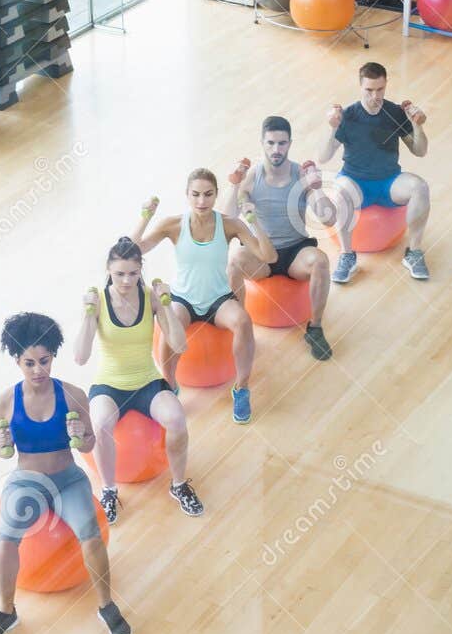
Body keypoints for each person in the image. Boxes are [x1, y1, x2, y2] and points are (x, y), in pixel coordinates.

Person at [0, 311, 131, 634]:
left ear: (53, 356)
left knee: (90, 536)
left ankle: (107, 606)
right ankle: (6, 612)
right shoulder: (4, 402)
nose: (38, 370)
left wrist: (83, 435)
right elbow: (5, 454)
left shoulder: (74, 395)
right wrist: (0, 445)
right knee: (6, 539)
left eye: (44, 361)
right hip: (26, 482)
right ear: (17, 361)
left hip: (67, 479)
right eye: (29, 363)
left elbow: (90, 444)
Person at [72, 236, 204, 522]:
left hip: (147, 381)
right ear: (108, 270)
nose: (126, 280)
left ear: (141, 269)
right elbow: (80, 357)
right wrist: (87, 315)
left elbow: (180, 346)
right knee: (100, 423)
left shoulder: (150, 296)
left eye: (133, 273)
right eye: (119, 274)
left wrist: (166, 305)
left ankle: (179, 485)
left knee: (177, 419)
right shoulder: (100, 301)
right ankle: (108, 490)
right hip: (109, 384)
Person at [132, 168, 276, 424]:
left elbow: (269, 257)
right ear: (187, 195)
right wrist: (146, 217)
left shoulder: (230, 224)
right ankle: (170, 385)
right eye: (196, 194)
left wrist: (253, 221)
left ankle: (241, 389)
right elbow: (132, 250)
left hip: (218, 299)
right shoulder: (173, 225)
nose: (202, 201)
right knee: (168, 322)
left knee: (243, 321)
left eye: (208, 194)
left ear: (216, 195)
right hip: (183, 299)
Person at [224, 115, 336, 361]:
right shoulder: (252, 176)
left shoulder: (301, 175)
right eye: (271, 143)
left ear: (290, 143)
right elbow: (228, 218)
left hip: (295, 251)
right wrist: (234, 186)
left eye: (282, 143)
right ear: (262, 143)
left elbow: (329, 219)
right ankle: (242, 329)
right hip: (262, 253)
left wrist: (316, 188)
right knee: (233, 260)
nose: (276, 149)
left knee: (320, 261)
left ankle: (315, 328)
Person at [317, 62, 430, 285]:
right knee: (340, 192)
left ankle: (414, 252)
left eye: (379, 89)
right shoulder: (347, 116)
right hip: (355, 182)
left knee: (420, 187)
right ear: (361, 87)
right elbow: (323, 156)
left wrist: (418, 125)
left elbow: (420, 151)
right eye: (369, 90)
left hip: (388, 182)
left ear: (386, 85)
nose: (375, 95)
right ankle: (347, 256)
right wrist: (332, 127)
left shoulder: (395, 112)